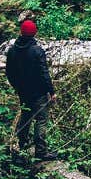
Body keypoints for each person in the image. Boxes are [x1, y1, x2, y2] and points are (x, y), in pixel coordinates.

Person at [4, 18, 58, 160]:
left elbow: (9, 72)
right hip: (38, 92)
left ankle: (21, 146)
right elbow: (44, 73)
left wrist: (16, 87)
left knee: (25, 117)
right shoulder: (37, 51)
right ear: (34, 34)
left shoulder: (12, 51)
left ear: (21, 32)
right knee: (41, 119)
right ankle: (41, 152)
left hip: (23, 91)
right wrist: (51, 92)